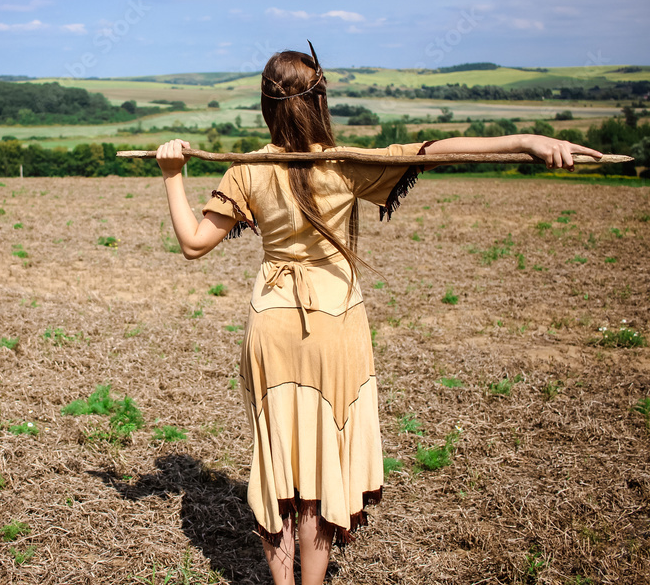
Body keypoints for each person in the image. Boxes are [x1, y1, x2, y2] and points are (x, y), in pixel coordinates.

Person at [154, 43, 602, 585]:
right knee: (324, 466)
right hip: (338, 324)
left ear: (267, 106)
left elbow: (194, 243)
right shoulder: (347, 164)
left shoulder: (247, 170)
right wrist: (528, 140)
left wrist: (172, 173)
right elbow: (441, 149)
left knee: (279, 465)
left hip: (272, 326)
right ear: (319, 100)